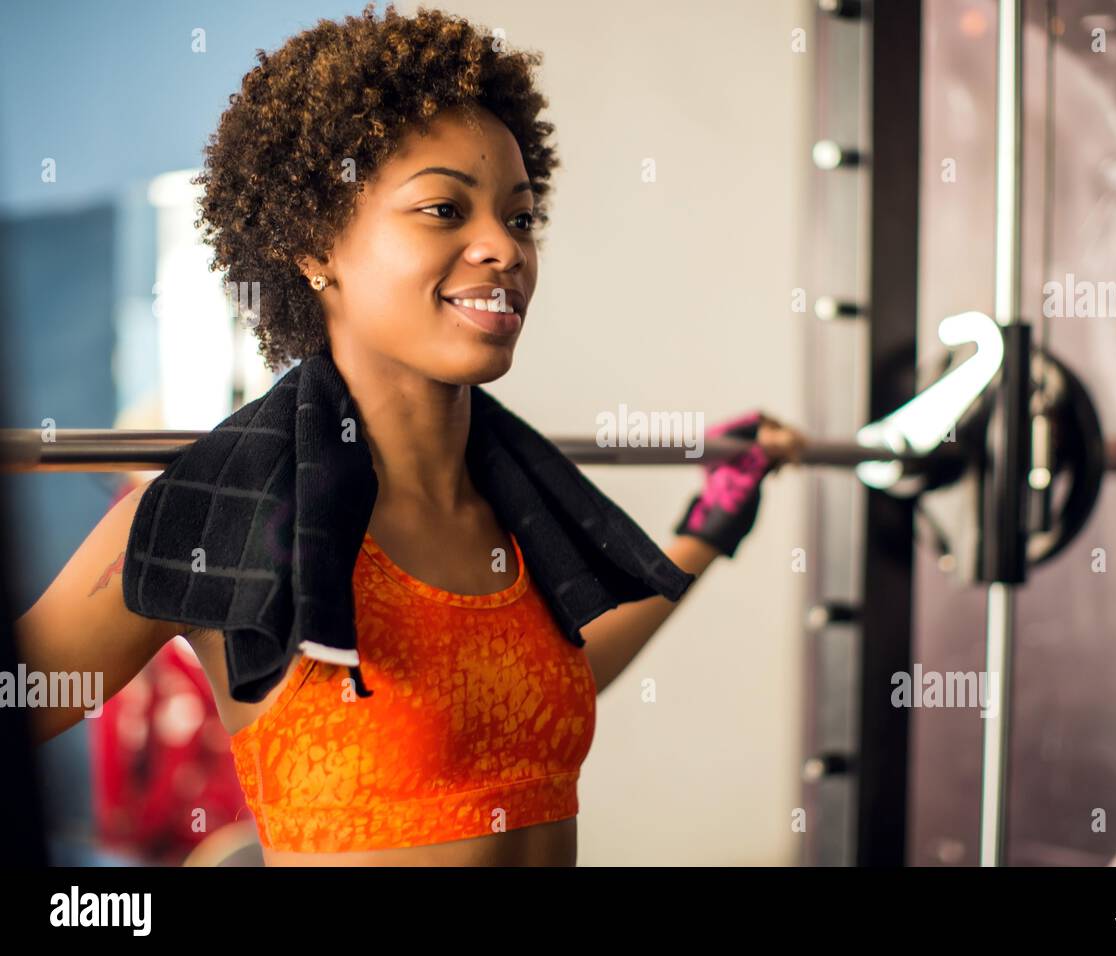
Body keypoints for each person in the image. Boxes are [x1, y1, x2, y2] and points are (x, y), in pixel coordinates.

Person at [14, 4, 806, 867]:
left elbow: (527, 691)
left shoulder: (520, 506)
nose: (503, 247)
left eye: (521, 215)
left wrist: (706, 531)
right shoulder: (218, 513)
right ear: (316, 244)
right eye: (443, 209)